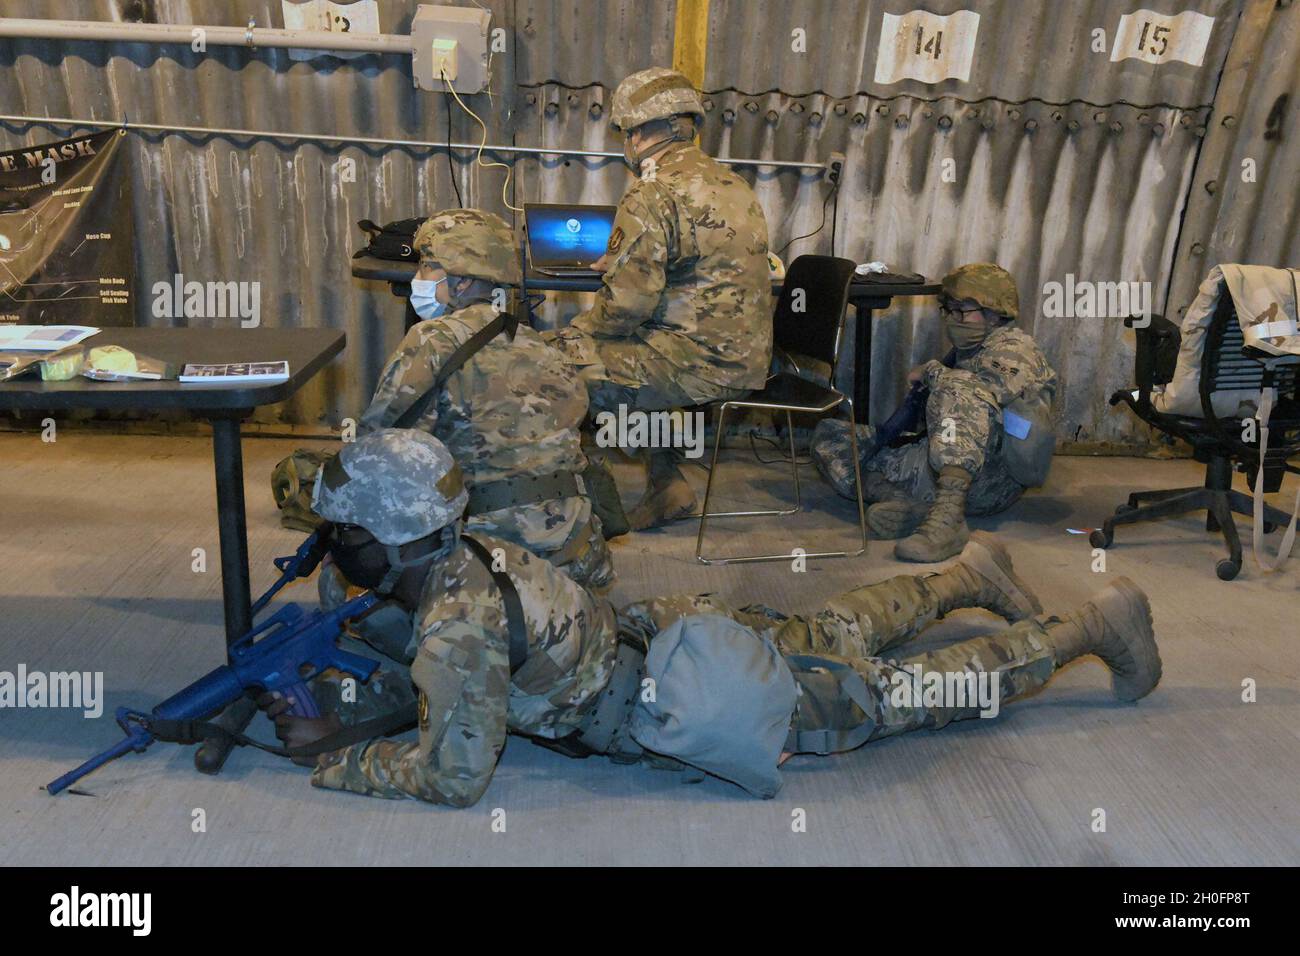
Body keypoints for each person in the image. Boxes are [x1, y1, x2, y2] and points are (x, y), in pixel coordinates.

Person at [270, 428, 1161, 806]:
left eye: (342, 530)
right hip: (665, 629)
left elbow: (455, 778)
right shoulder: (472, 551)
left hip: (674, 691)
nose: (332, 544)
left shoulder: (454, 624)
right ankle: (966, 574)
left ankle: (1090, 630)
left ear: (392, 537)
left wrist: (340, 761)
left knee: (887, 696)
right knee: (832, 630)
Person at [278, 208, 615, 592]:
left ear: (461, 283)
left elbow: (375, 449)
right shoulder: (547, 347)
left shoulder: (432, 341)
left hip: (492, 559)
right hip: (580, 557)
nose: (417, 279)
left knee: (347, 562)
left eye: (427, 267)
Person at [542, 67, 772, 530]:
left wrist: (572, 332)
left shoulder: (652, 192)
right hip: (743, 361)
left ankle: (575, 514)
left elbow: (625, 309)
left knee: (547, 364)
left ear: (640, 132)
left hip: (694, 365)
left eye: (625, 133)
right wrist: (627, 262)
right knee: (635, 352)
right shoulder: (735, 186)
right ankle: (668, 485)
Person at [812, 263, 1058, 563]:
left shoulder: (1015, 349)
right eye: (949, 310)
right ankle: (905, 504)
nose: (953, 320)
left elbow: (981, 394)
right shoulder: (970, 349)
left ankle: (948, 517)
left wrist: (931, 372)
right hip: (938, 464)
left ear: (995, 313)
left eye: (962, 311)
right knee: (832, 437)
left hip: (990, 479)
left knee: (957, 386)